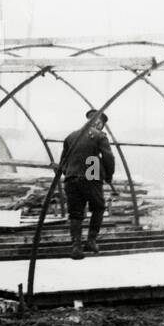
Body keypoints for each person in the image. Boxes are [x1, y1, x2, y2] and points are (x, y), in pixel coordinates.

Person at [59, 109, 116, 260]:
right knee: (99, 207)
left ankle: (76, 247)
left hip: (71, 179)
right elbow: (109, 158)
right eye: (100, 123)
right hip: (91, 176)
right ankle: (91, 241)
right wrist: (108, 176)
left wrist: (70, 173)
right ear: (98, 123)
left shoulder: (71, 136)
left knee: (75, 213)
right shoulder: (100, 136)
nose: (99, 125)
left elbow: (62, 163)